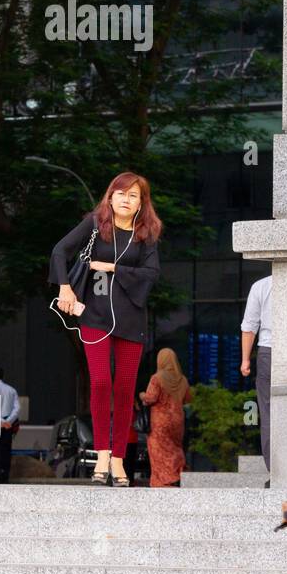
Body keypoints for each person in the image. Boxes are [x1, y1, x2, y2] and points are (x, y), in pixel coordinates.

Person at [52, 172, 162, 488]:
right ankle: (101, 455)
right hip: (94, 315)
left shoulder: (147, 234)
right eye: (120, 193)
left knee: (125, 389)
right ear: (110, 196)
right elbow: (60, 251)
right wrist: (65, 289)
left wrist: (113, 268)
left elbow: (151, 274)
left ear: (142, 202)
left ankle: (117, 459)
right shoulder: (95, 224)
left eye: (134, 195)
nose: (126, 199)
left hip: (131, 319)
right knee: (100, 383)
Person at [140, 348, 193, 488]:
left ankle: (163, 481)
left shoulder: (157, 378)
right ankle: (177, 474)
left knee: (159, 451)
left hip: (160, 421)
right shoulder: (183, 380)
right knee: (175, 448)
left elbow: (151, 398)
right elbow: (188, 399)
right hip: (177, 421)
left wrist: (141, 395)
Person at [240, 274, 272, 478]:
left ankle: (275, 470)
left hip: (268, 351)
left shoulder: (261, 286)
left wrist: (245, 360)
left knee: (268, 412)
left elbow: (249, 327)